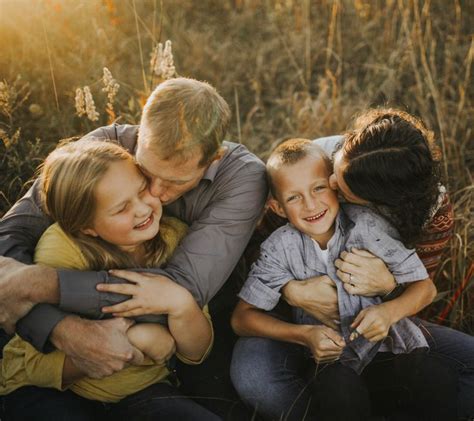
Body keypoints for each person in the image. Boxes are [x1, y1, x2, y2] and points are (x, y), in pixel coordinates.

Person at [0, 77, 267, 419]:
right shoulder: (102, 152)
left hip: (188, 332)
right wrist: (59, 329)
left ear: (214, 158)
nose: (154, 193)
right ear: (140, 131)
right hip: (60, 353)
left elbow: (177, 292)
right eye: (145, 172)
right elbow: (11, 238)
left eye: (174, 182)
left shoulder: (242, 179)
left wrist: (41, 284)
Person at [232, 109, 474, 420]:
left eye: (336, 188)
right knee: (256, 377)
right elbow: (254, 254)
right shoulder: (312, 165)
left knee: (446, 375)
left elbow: (419, 290)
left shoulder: (380, 223)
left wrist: (389, 289)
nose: (329, 183)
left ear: (376, 202)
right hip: (299, 331)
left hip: (377, 337)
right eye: (334, 170)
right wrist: (290, 290)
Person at [0, 139, 215, 415]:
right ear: (87, 227)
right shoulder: (62, 250)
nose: (142, 209)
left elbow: (197, 352)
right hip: (60, 389)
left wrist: (181, 305)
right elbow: (30, 361)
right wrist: (135, 342)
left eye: (141, 190)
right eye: (121, 208)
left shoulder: (175, 237)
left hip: (144, 390)